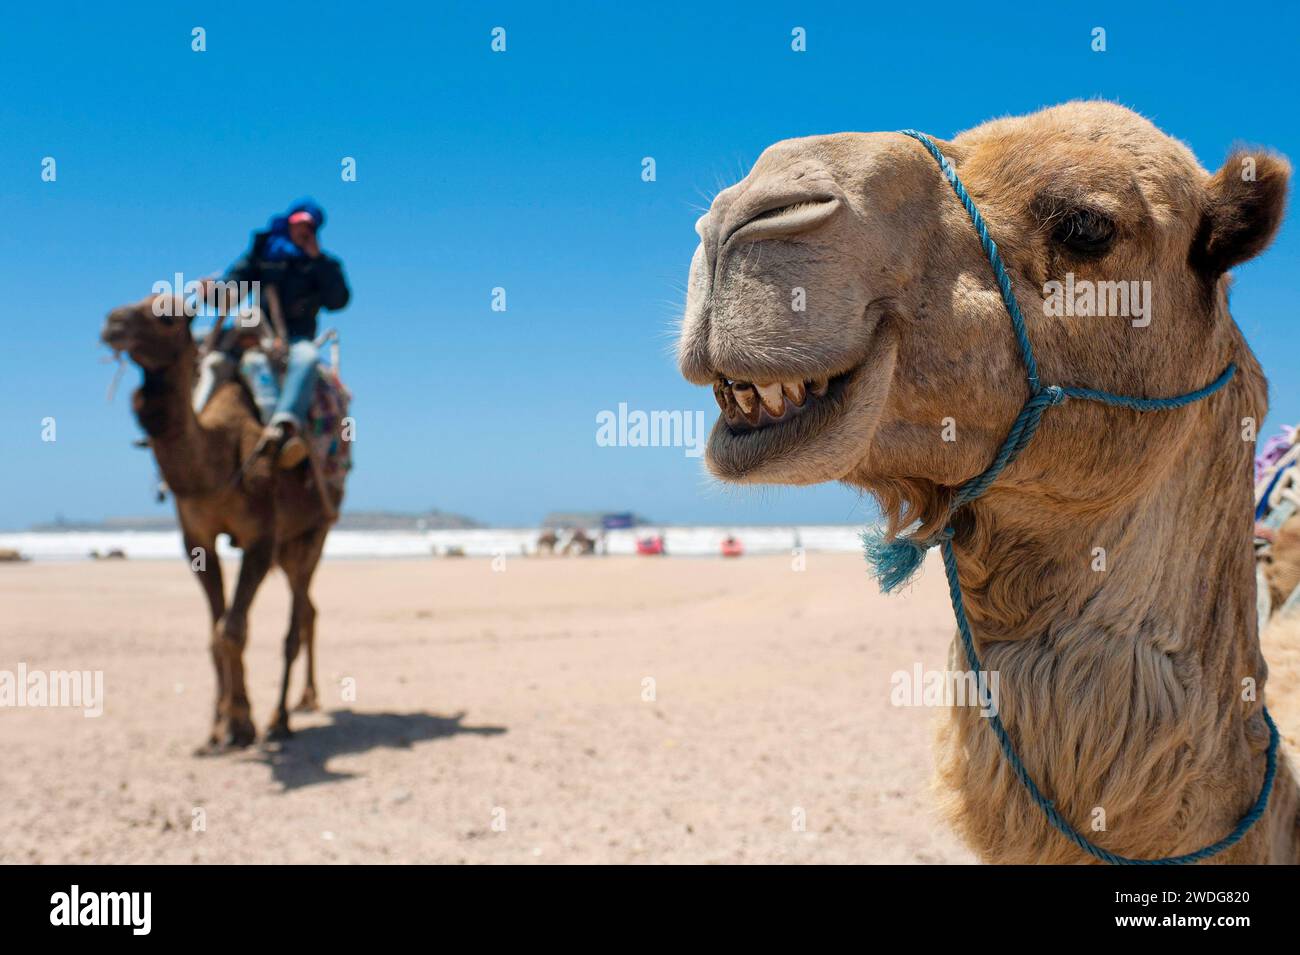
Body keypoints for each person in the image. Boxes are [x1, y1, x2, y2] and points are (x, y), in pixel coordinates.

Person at [194, 199, 350, 468]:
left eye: (308, 228)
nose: (302, 231)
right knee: (200, 352)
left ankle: (285, 426)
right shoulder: (263, 255)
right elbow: (234, 285)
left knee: (308, 358)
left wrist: (318, 262)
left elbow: (338, 300)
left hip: (296, 340)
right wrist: (214, 293)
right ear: (288, 224)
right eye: (298, 225)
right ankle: (185, 425)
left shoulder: (323, 265)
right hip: (256, 336)